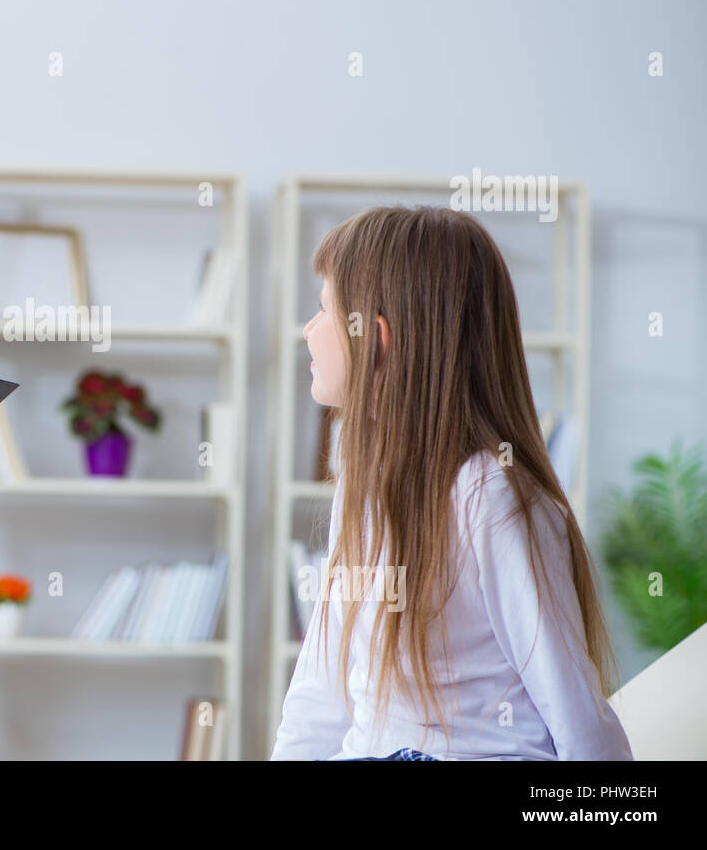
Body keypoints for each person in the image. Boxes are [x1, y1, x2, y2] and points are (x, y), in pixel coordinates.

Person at [270, 205, 632, 760]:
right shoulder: (361, 490)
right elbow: (322, 691)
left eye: (323, 310)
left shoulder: (490, 495)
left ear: (377, 339)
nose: (309, 329)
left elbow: (573, 704)